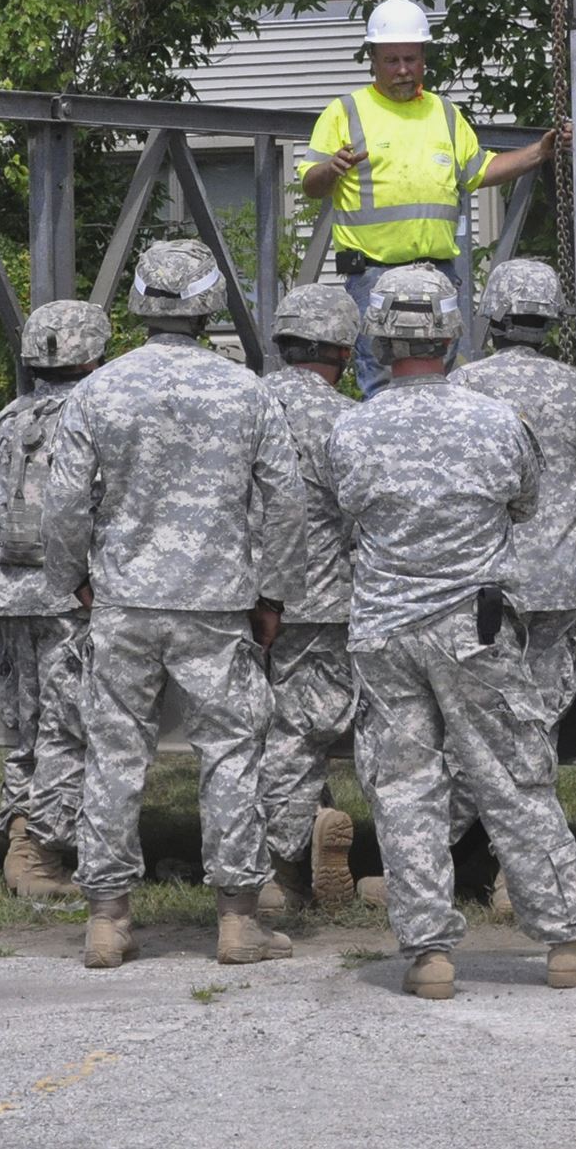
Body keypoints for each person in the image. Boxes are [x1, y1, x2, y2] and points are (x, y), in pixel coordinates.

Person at [326, 264, 576, 1000]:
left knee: (405, 786)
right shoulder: (493, 421)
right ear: (452, 334)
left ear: (378, 338)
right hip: (473, 625)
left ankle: (428, 954)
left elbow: (341, 516)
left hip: (384, 628)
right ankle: (567, 939)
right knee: (511, 773)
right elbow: (525, 503)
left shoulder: (349, 427)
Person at [43, 238, 301, 969]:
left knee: (115, 753)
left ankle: (107, 919)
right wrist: (272, 590)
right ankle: (237, 920)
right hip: (216, 607)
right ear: (210, 301)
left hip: (122, 601)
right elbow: (284, 502)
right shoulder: (246, 390)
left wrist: (76, 579)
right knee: (229, 753)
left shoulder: (99, 390)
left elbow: (64, 503)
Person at [297, 0, 562, 392]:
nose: (403, 70)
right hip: (375, 275)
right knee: (384, 385)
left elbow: (480, 171)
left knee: (442, 386)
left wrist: (539, 153)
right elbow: (310, 184)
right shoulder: (346, 112)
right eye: (392, 60)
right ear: (373, 59)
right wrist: (330, 170)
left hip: (439, 275)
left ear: (423, 58)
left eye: (411, 59)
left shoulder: (444, 113)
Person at [447, 257, 576, 920]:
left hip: (481, 585)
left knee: (472, 722)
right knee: (536, 726)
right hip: (557, 584)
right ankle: (517, 876)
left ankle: (429, 857)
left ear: (492, 314)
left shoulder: (462, 387)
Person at [0, 297, 108, 903]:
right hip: (67, 598)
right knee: (68, 724)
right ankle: (40, 851)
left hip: (12, 594)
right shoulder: (91, 416)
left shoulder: (9, 418)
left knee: (26, 724)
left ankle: (20, 837)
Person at [251, 283, 364, 919]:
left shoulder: (240, 405)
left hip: (230, 600)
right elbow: (365, 516)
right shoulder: (344, 421)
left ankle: (285, 857)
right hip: (316, 604)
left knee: (246, 733)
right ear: (343, 350)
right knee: (300, 733)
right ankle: (280, 860)